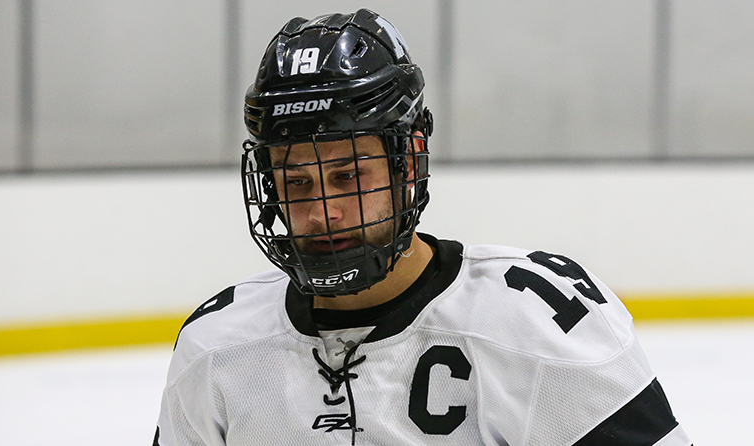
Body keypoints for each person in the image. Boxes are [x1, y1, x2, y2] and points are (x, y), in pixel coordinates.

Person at [154, 8, 691, 446]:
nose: (322, 212)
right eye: (295, 183)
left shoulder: (536, 323)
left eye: (347, 176)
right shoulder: (216, 350)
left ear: (406, 162)